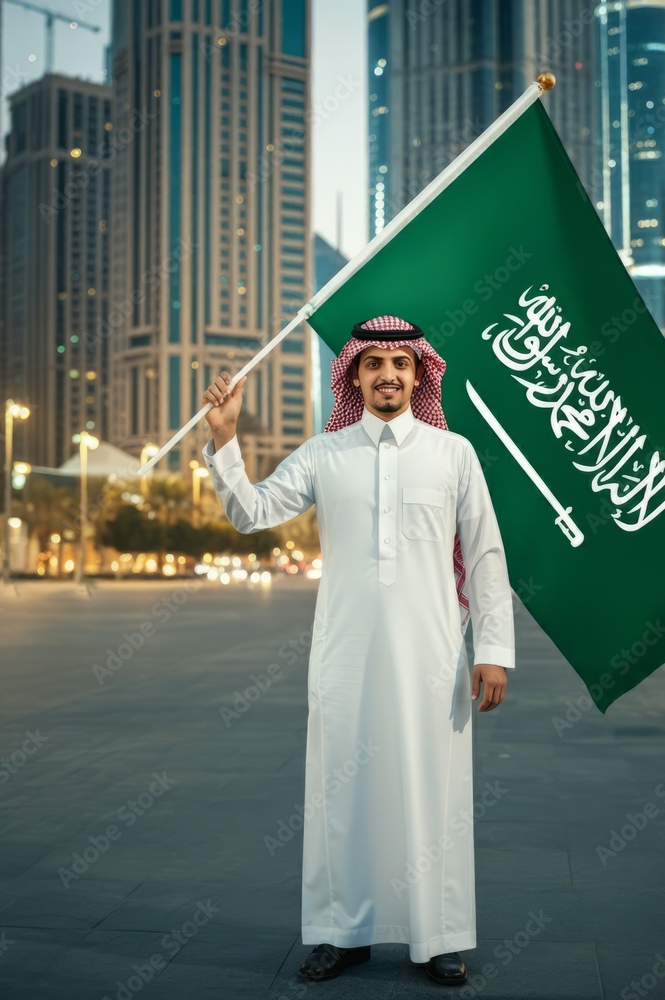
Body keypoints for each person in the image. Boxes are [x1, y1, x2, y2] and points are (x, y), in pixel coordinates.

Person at [201, 315, 515, 986]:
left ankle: (438, 937)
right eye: (372, 364)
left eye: (400, 364)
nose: (388, 376)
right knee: (341, 795)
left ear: (418, 374)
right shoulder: (324, 453)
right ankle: (342, 935)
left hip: (433, 657)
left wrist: (492, 647)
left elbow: (486, 554)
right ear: (352, 376)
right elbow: (251, 512)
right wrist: (225, 439)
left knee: (433, 793)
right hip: (344, 658)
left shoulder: (452, 452)